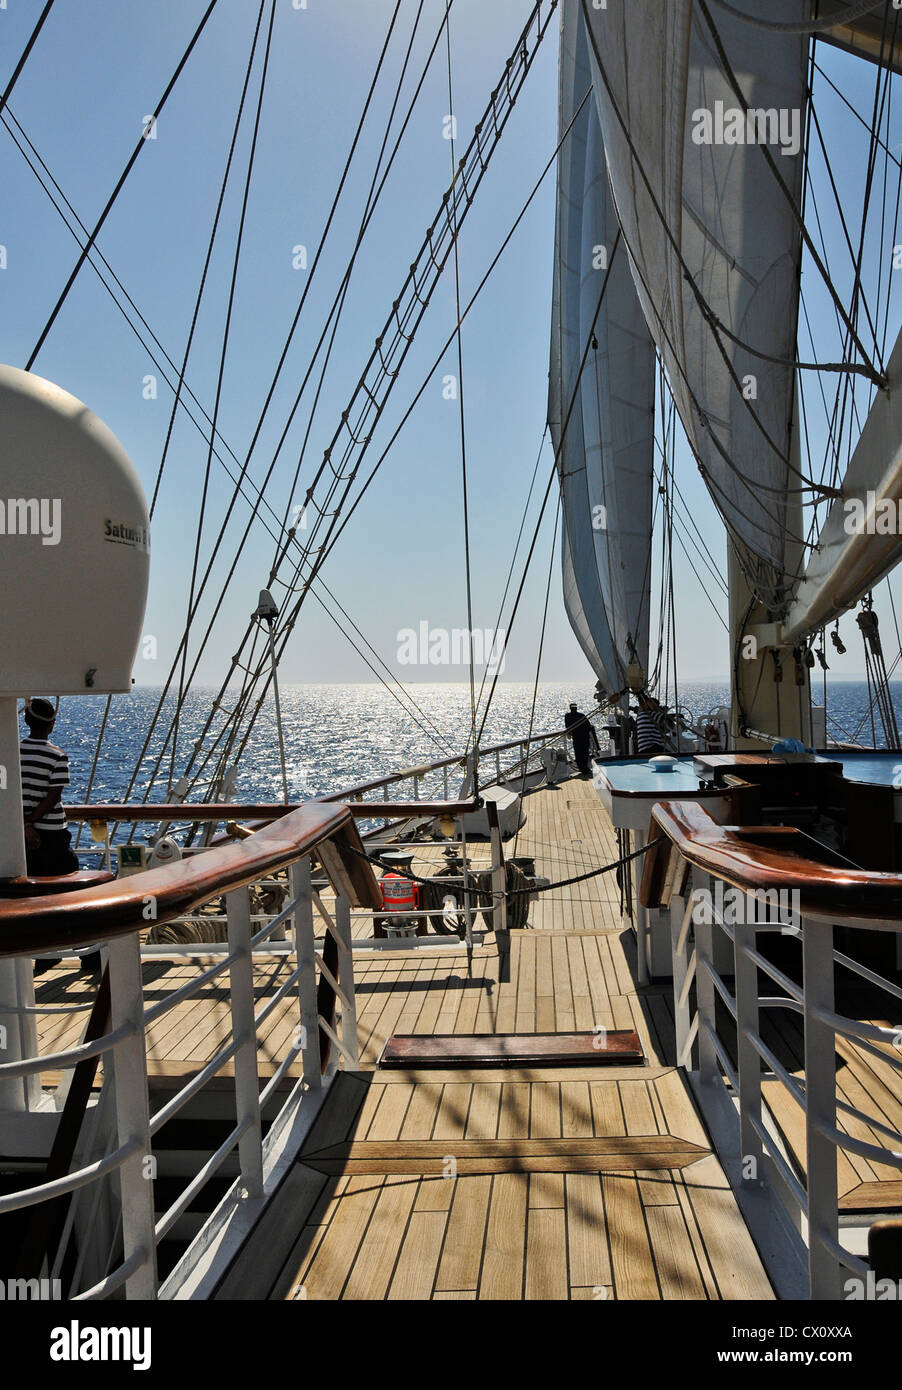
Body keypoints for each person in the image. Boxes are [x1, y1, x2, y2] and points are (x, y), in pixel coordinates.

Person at [20, 698, 79, 876]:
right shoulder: (57, 755)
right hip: (52, 832)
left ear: (27, 721)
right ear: (52, 724)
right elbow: (54, 797)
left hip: (19, 830)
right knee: (65, 874)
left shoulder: (13, 752)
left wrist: (25, 825)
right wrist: (31, 822)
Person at [565, 702, 600, 775]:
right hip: (584, 737)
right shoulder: (582, 715)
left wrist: (570, 732)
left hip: (577, 737)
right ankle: (584, 768)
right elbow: (588, 726)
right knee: (584, 753)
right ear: (576, 708)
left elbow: (567, 726)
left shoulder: (568, 716)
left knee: (579, 753)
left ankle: (582, 768)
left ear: (570, 708)